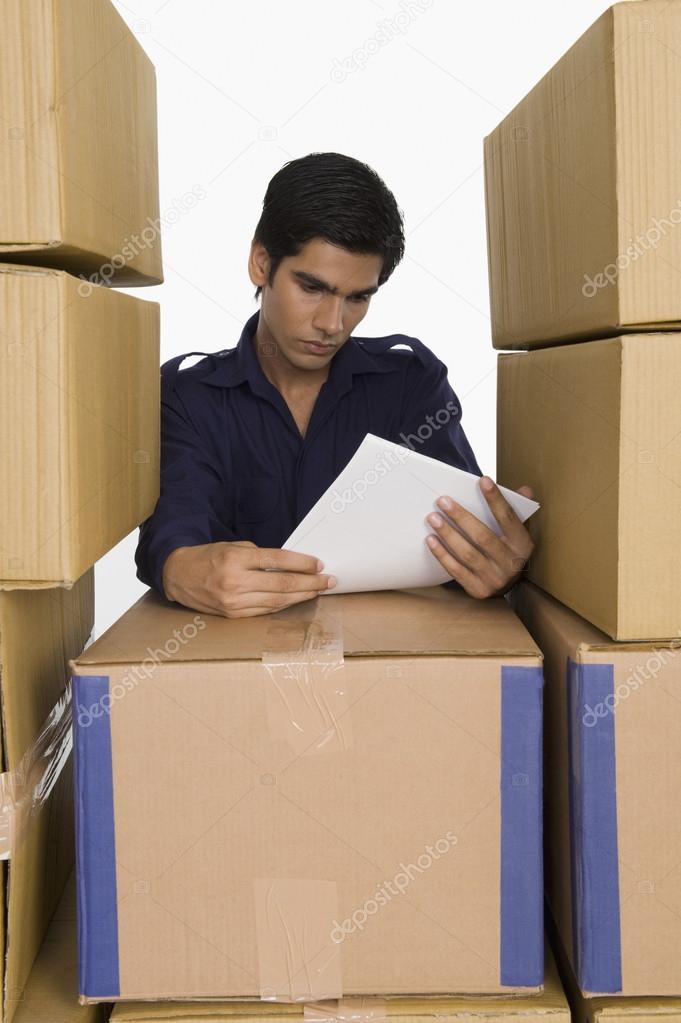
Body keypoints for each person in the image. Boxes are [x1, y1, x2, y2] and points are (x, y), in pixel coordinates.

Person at [135, 152, 534, 619]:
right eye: (312, 287)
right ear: (261, 263)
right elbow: (173, 533)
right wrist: (179, 568)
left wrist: (498, 565)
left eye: (358, 297)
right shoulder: (185, 398)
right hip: (237, 672)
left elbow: (461, 539)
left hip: (392, 664)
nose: (332, 323)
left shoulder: (412, 385)